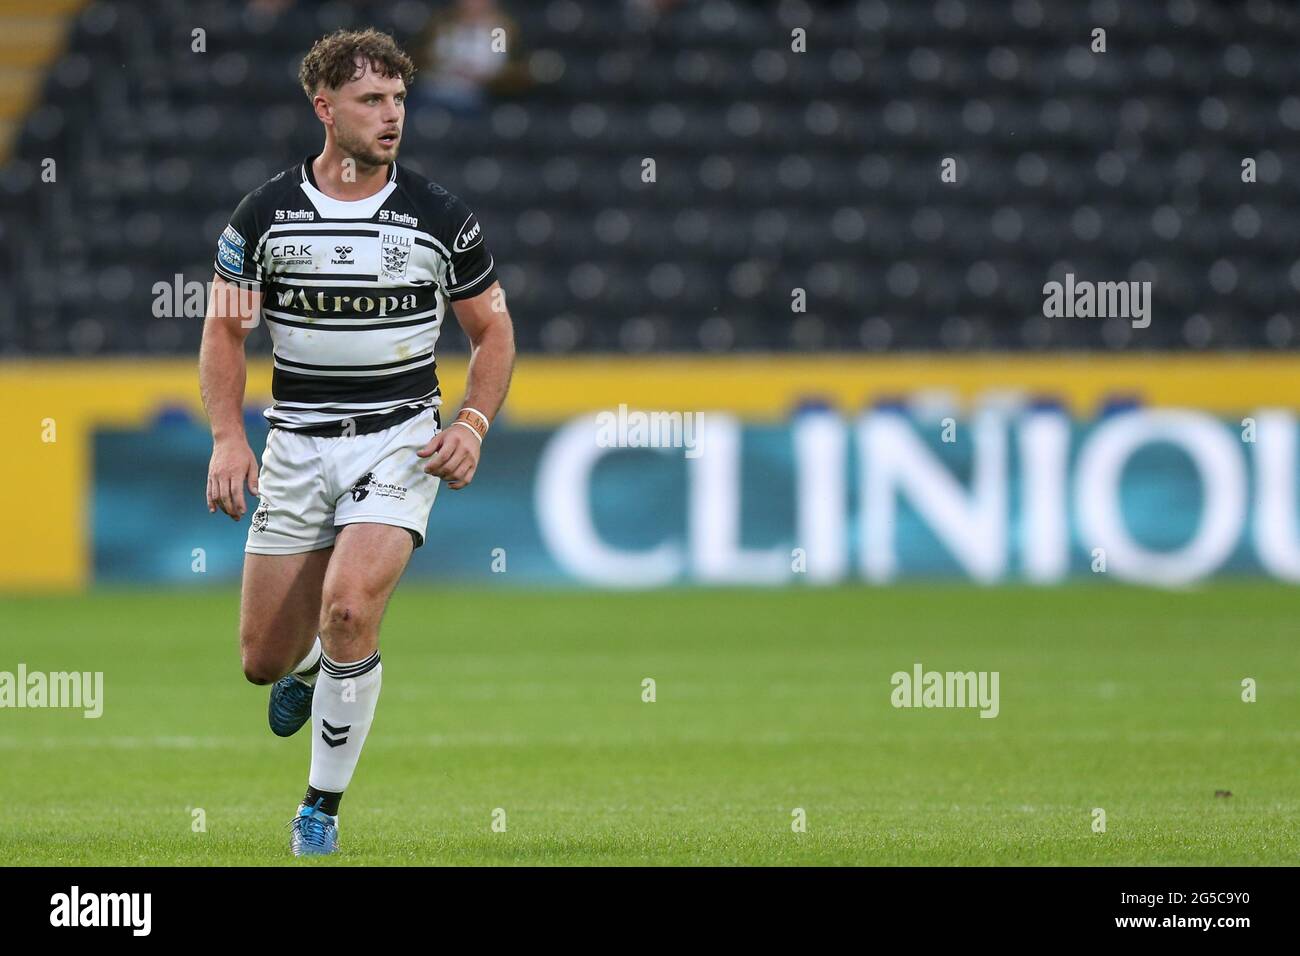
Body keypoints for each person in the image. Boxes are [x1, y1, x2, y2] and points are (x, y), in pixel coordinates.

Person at [198, 28, 516, 856]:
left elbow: (493, 333)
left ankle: (320, 812)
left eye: (399, 100)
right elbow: (226, 333)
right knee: (262, 661)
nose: (391, 116)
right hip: (296, 444)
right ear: (324, 107)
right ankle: (306, 673)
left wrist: (472, 425)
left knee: (349, 608)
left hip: (398, 442)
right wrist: (230, 440)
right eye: (371, 100)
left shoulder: (441, 218)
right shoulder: (264, 214)